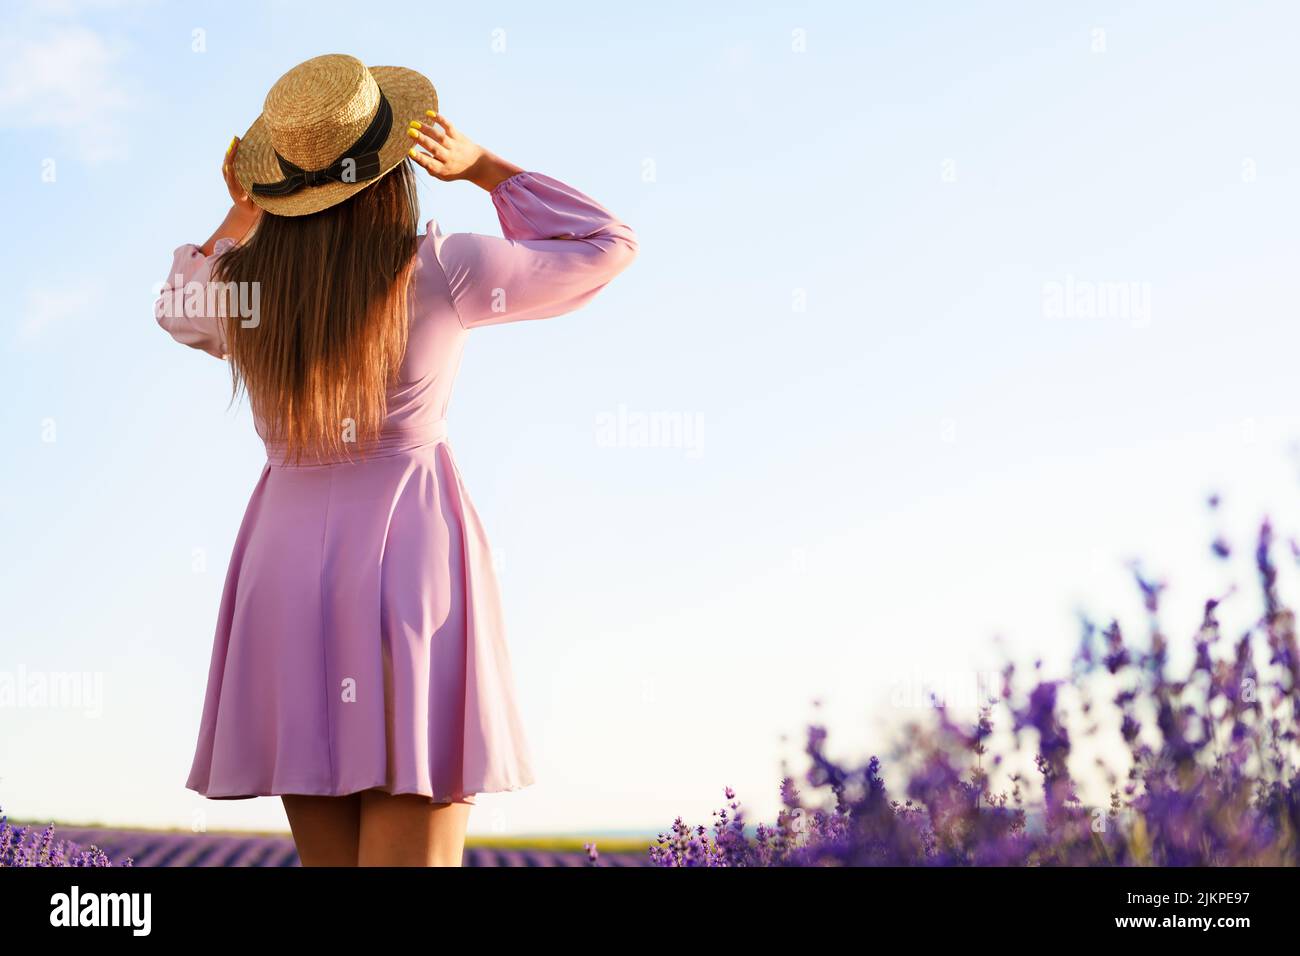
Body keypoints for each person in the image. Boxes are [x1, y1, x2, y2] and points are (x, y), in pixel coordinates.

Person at [154, 53, 638, 866]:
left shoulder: (250, 293)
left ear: (286, 184)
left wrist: (242, 216)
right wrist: (484, 168)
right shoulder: (444, 269)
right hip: (407, 562)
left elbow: (176, 306)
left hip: (285, 572)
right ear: (389, 172)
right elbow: (606, 244)